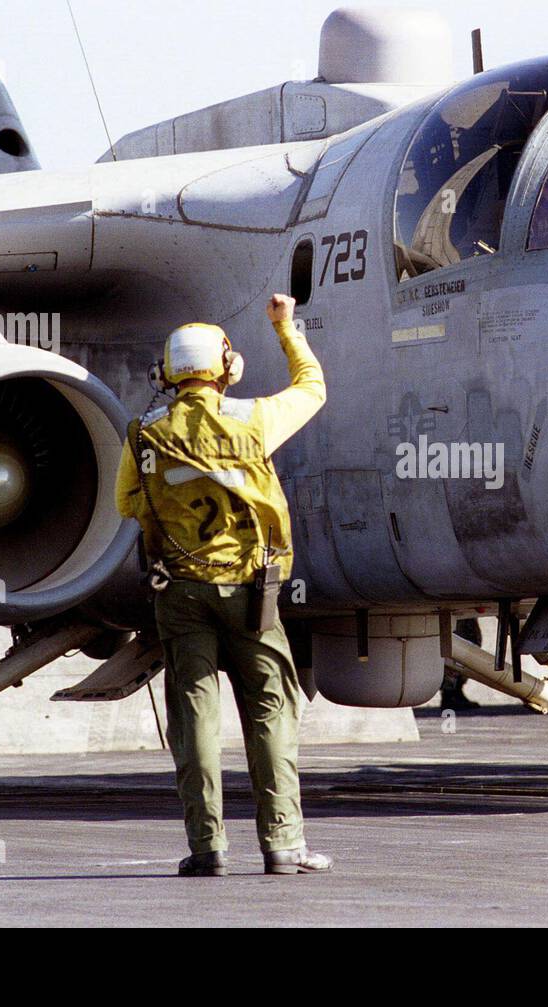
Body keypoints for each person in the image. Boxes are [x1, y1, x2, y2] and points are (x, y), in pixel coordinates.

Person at [115, 294, 330, 876]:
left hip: (179, 595)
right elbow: (313, 387)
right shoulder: (254, 420)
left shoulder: (143, 435)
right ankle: (283, 846)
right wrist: (286, 328)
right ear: (226, 370)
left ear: (166, 375)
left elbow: (126, 503)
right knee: (269, 712)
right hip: (251, 594)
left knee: (195, 718)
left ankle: (207, 848)